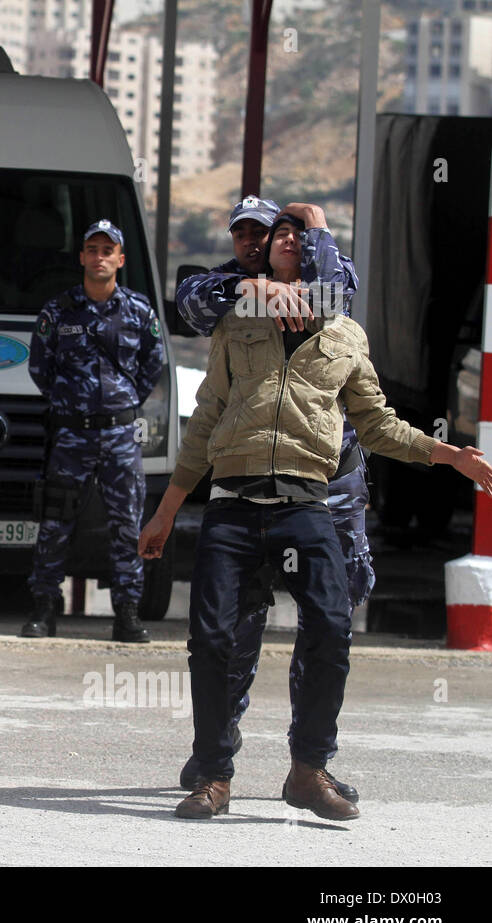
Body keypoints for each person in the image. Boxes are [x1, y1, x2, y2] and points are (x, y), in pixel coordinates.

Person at [138, 213, 492, 821]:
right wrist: (166, 511)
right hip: (234, 502)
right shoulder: (236, 320)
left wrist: (446, 453)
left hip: (306, 504)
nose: (288, 240)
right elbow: (204, 419)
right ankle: (214, 776)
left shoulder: (346, 335)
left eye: (300, 234)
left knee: (331, 626)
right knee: (213, 640)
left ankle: (308, 770)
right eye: (279, 232)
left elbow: (376, 423)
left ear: (320, 252)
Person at [175, 198, 365, 804]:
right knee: (231, 629)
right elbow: (190, 302)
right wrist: (254, 290)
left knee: (330, 625)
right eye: (247, 234)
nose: (258, 242)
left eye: (278, 232)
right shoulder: (233, 296)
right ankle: (216, 756)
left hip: (330, 488)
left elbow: (335, 296)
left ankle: (310, 763)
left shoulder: (333, 282)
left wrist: (319, 230)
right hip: (250, 488)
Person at [20, 220, 164, 642]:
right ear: (82, 257)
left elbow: (152, 366)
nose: (100, 257)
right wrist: (71, 403)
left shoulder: (138, 311)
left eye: (108, 250)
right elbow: (39, 368)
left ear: (120, 259)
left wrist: (121, 401)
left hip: (120, 436)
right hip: (71, 435)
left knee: (126, 523)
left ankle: (127, 613)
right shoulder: (57, 310)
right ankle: (44, 608)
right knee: (56, 522)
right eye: (92, 249)